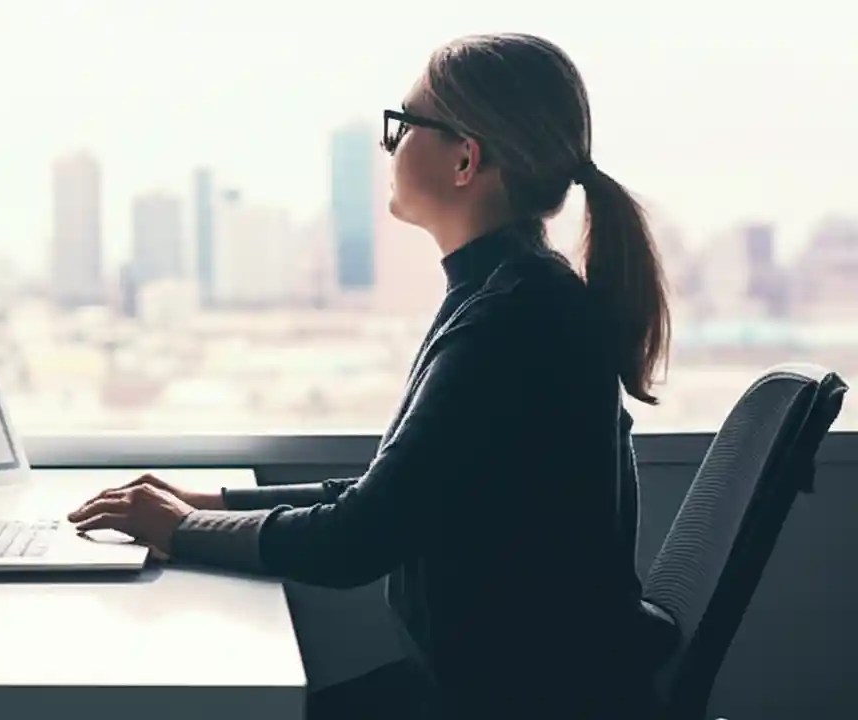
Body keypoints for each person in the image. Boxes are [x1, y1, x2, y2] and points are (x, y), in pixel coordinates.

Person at [69, 32, 673, 719]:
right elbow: (397, 491)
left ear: (465, 160)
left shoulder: (512, 319)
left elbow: (359, 538)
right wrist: (205, 502)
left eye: (405, 125)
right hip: (495, 689)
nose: (390, 146)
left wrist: (178, 529)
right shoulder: (513, 294)